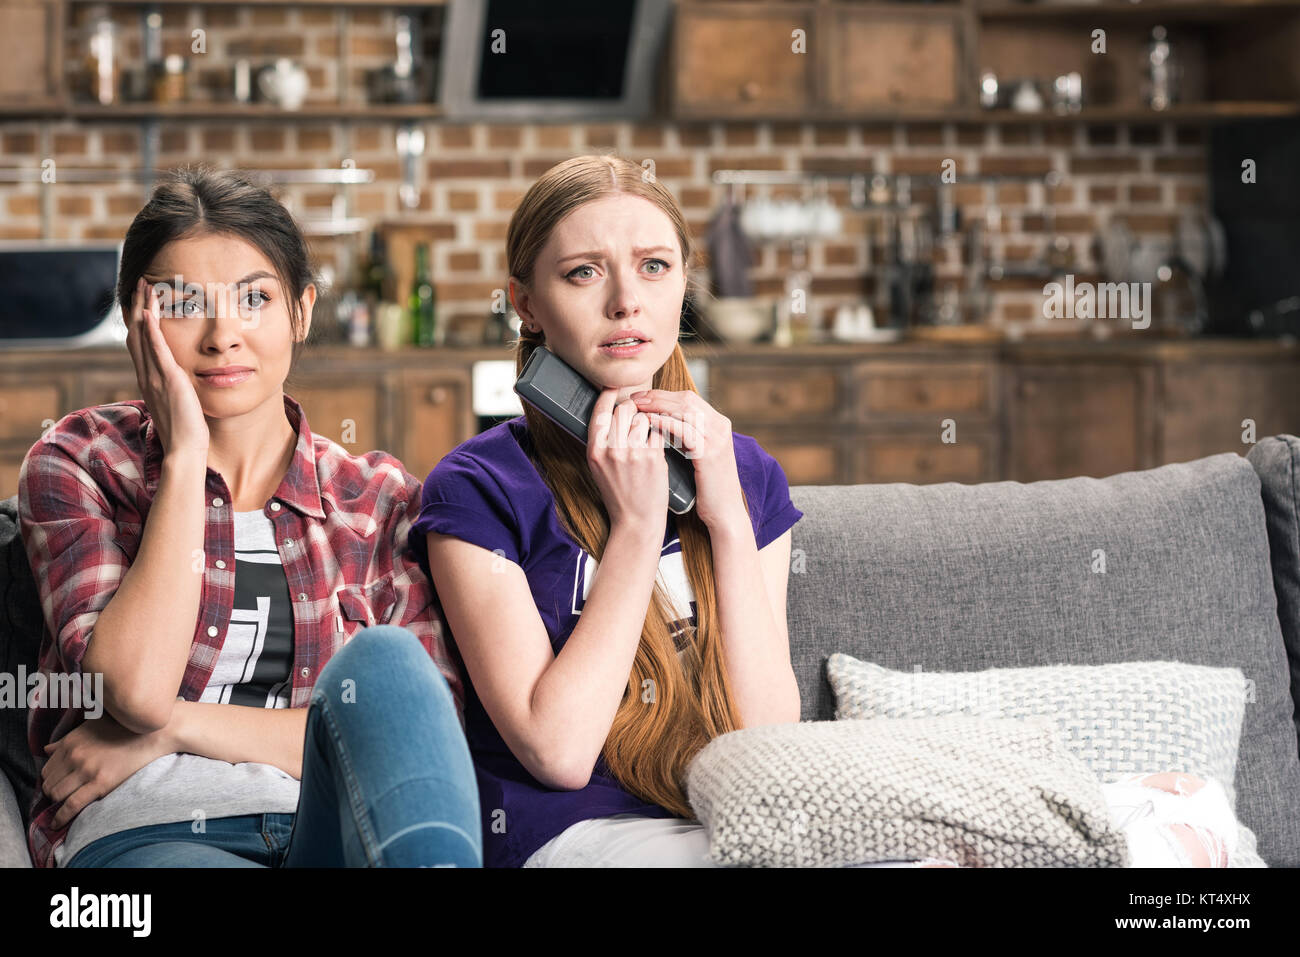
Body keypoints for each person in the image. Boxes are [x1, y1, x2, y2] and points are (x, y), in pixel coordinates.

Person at [410, 153, 1240, 869]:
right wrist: (633, 530)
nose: (627, 300)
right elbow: (555, 752)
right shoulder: (476, 488)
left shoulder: (742, 472)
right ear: (526, 301)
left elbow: (767, 729)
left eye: (655, 267)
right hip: (580, 834)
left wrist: (729, 521)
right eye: (584, 271)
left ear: (684, 288)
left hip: (738, 814)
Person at [19, 165, 481, 868]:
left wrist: (176, 726)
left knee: (386, 662)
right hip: (155, 831)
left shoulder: (377, 498)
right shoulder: (79, 462)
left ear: (300, 311)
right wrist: (183, 460)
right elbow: (136, 692)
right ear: (136, 322)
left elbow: (413, 737)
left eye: (254, 298)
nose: (221, 335)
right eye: (181, 302)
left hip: (329, 821)